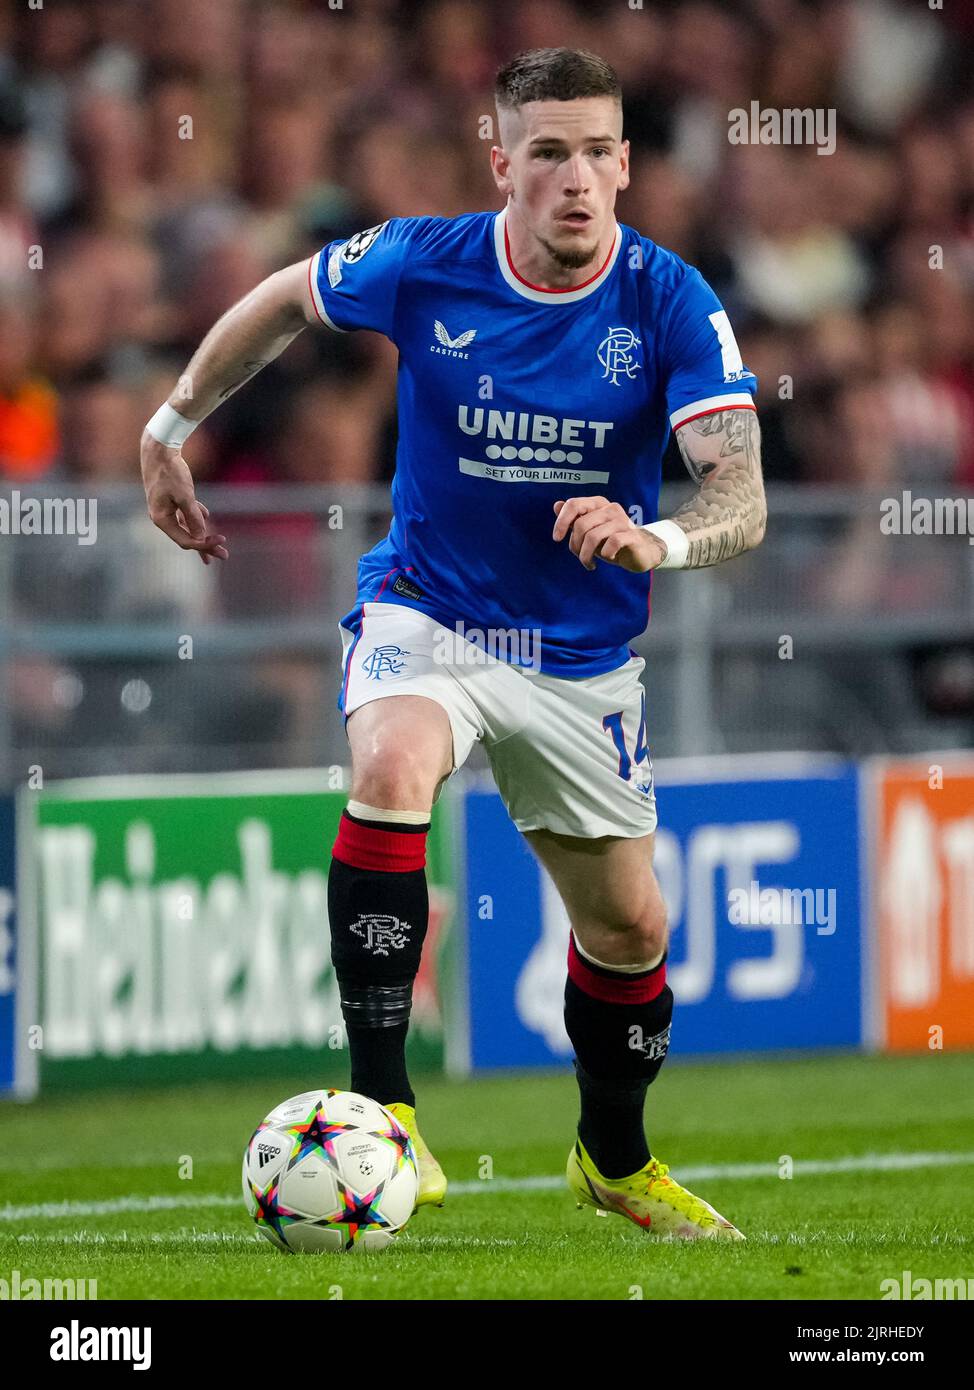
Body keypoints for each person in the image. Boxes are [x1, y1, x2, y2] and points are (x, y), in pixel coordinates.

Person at [140, 48, 766, 1241]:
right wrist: (171, 425)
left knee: (629, 930)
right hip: (427, 608)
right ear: (501, 165)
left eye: (596, 152)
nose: (575, 179)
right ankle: (387, 1110)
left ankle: (613, 1160)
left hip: (578, 658)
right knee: (388, 769)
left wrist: (659, 540)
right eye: (546, 153)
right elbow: (282, 296)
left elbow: (738, 492)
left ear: (626, 164)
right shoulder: (425, 261)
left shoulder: (670, 300)